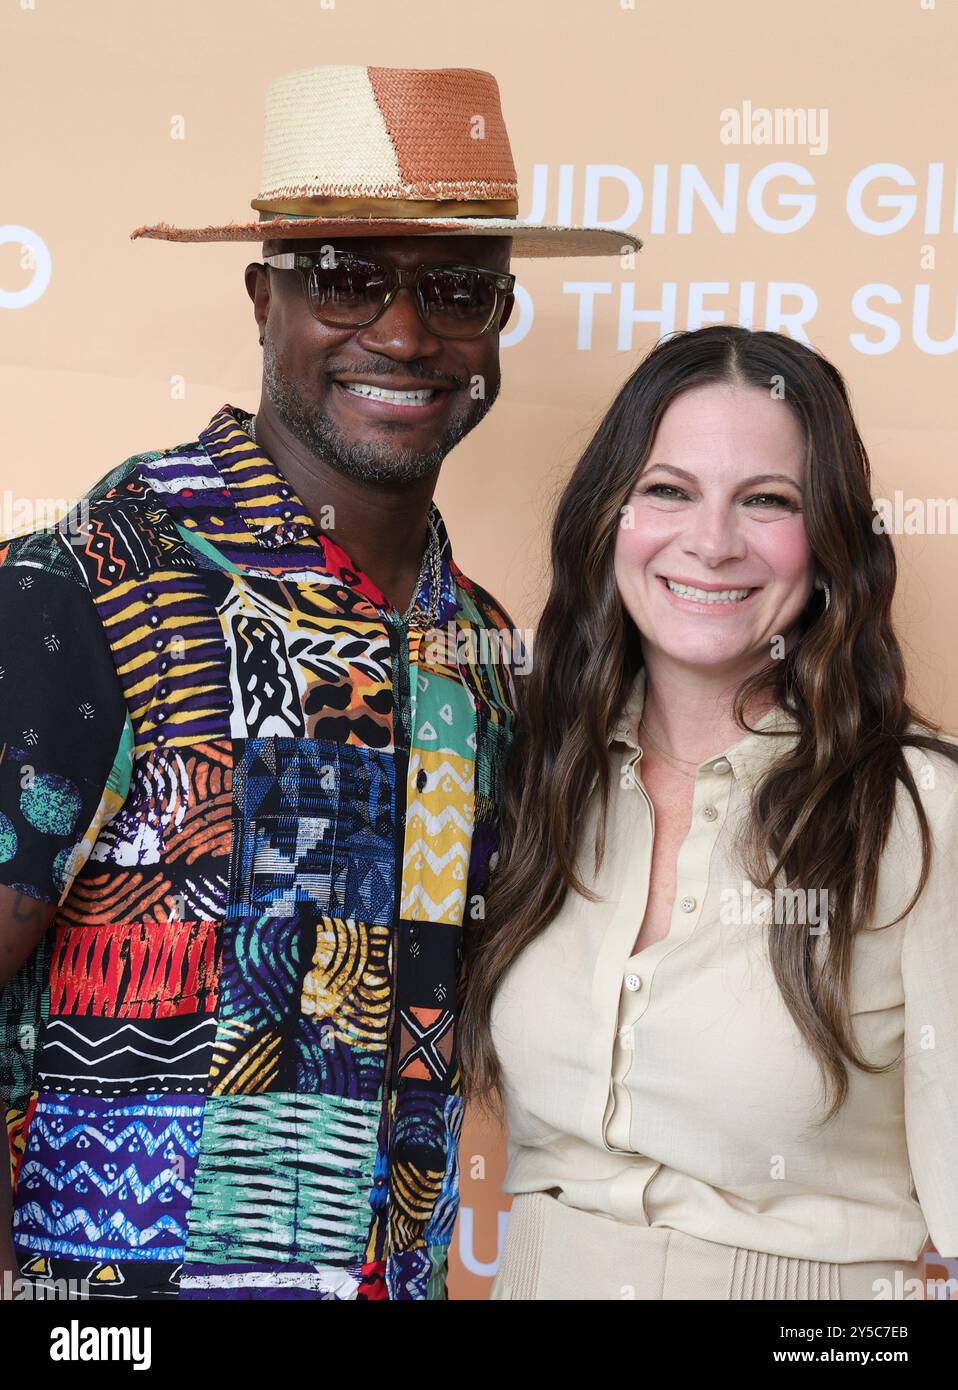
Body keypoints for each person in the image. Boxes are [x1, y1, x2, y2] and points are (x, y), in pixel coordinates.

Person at [0, 64, 637, 1301]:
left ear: (498, 319)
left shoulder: (486, 658)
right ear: (262, 296)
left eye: (456, 290)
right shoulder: (84, 582)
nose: (404, 335)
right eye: (347, 276)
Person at [459, 324, 958, 1301]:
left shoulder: (921, 814)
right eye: (668, 489)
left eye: (766, 501)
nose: (712, 540)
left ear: (829, 544)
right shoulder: (527, 770)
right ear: (611, 519)